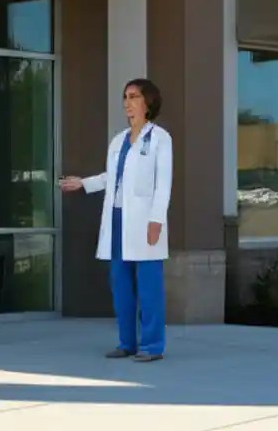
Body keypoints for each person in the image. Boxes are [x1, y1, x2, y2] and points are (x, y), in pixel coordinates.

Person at [59, 78, 172, 363]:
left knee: (148, 287)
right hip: (118, 220)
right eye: (125, 97)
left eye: (133, 96)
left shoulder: (160, 138)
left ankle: (152, 345)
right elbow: (112, 178)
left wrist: (156, 220)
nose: (127, 102)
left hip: (145, 220)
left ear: (148, 102)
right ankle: (127, 343)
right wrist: (82, 183)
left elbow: (164, 183)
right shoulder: (118, 141)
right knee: (120, 285)